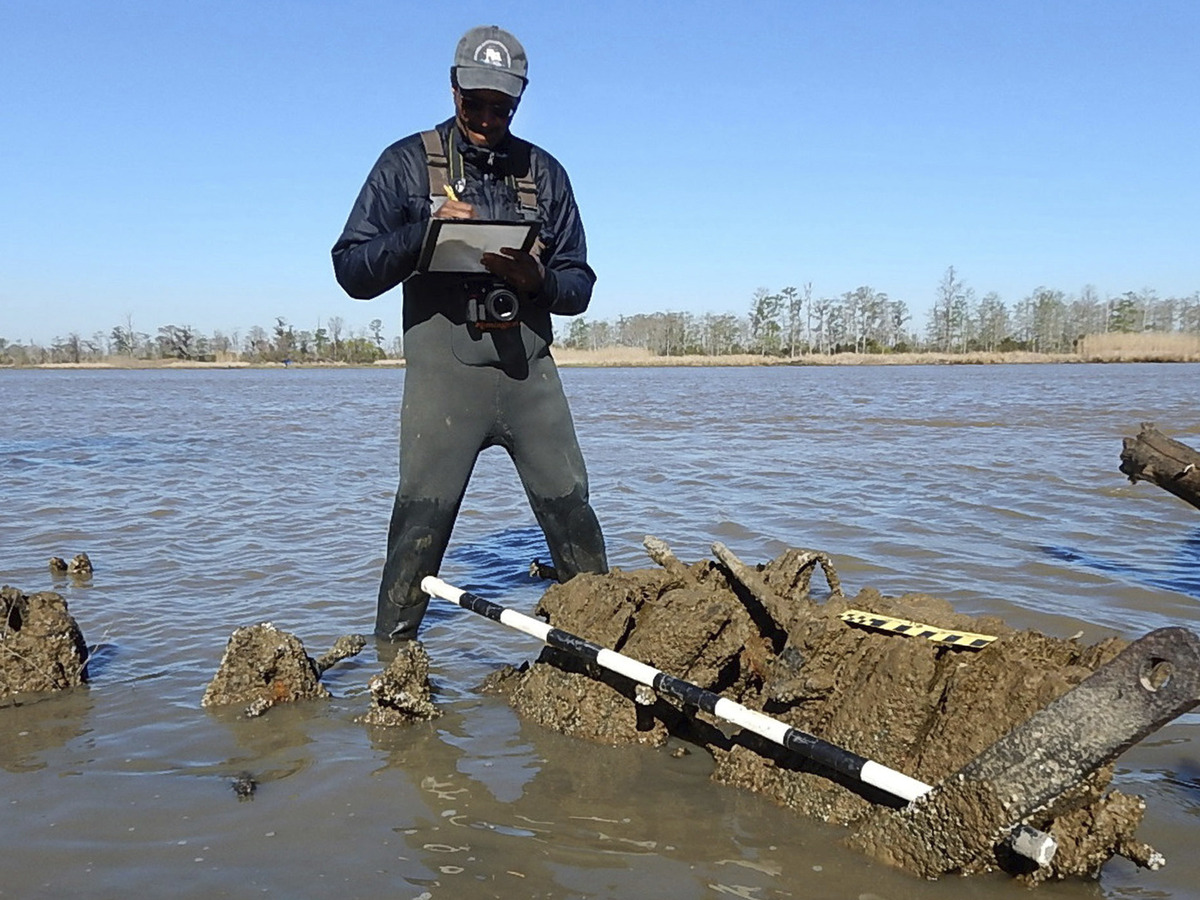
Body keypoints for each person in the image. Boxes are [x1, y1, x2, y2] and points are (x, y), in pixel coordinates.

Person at [331, 25, 609, 641]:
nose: (487, 116)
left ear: (519, 99)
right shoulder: (405, 164)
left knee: (576, 523)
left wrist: (536, 279)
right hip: (443, 384)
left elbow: (581, 284)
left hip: (528, 374)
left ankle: (600, 656)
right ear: (453, 88)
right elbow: (350, 269)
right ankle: (393, 669)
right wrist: (422, 233)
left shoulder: (546, 173)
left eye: (502, 105)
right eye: (475, 101)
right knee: (416, 535)